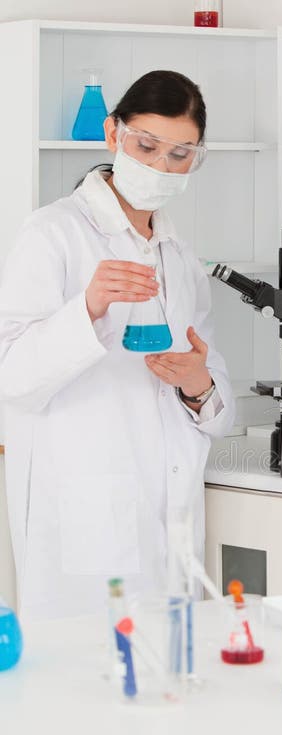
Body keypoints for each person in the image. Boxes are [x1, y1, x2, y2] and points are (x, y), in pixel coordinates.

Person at [0, 70, 234, 619]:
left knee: (171, 680)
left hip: (169, 516)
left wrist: (196, 383)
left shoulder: (178, 255)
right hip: (85, 517)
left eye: (181, 154)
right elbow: (9, 374)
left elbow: (216, 408)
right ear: (113, 134)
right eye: (146, 146)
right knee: (84, 687)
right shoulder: (52, 234)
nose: (160, 167)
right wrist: (88, 308)